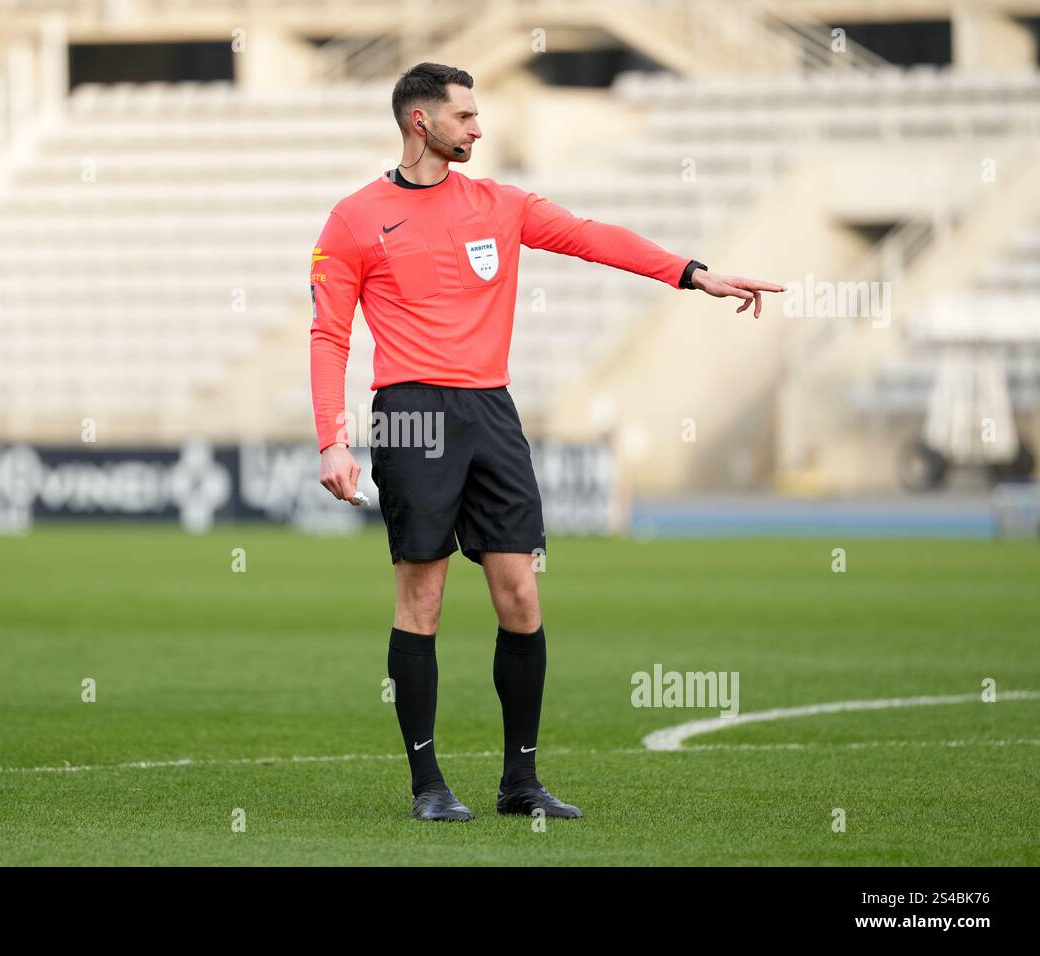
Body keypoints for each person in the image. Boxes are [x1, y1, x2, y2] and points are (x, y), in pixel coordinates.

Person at [309, 62, 783, 822]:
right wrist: (332, 440)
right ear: (420, 123)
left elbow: (594, 238)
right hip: (408, 413)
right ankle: (428, 785)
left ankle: (519, 782)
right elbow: (329, 334)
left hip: (492, 411)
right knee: (421, 597)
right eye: (465, 116)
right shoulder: (354, 219)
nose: (479, 127)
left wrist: (692, 274)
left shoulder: (501, 204)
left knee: (521, 594)